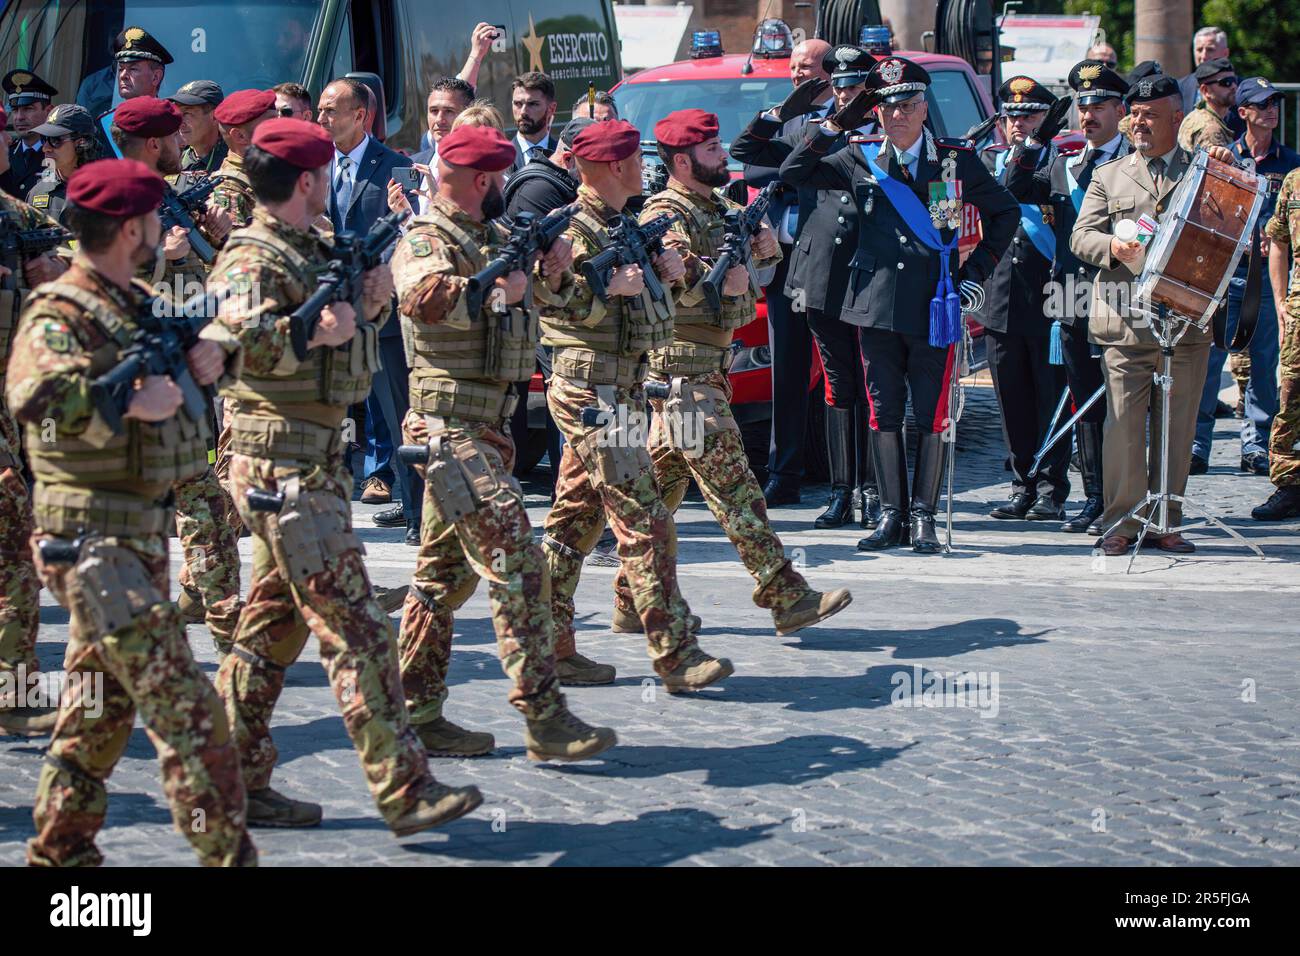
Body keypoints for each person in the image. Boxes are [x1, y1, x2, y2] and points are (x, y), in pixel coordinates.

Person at [202, 117, 482, 832]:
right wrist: (309, 330)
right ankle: (404, 786)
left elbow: (357, 318)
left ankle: (229, 780)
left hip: (319, 456)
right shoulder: (251, 256)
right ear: (307, 180)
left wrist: (375, 294)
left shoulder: (315, 246)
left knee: (270, 627)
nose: (331, 183)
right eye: (324, 174)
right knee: (358, 628)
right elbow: (223, 347)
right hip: (277, 463)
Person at [7, 157, 257, 866]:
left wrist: (218, 359)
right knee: (190, 709)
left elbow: (212, 331)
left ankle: (60, 852)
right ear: (128, 227)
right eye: (151, 219)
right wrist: (124, 400)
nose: (160, 229)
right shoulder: (57, 311)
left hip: (141, 537)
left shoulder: (137, 298)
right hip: (88, 543)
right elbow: (36, 395)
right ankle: (226, 851)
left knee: (97, 708)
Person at [389, 123, 616, 760]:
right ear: (484, 181)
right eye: (501, 182)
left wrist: (559, 275)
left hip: (488, 429)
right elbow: (423, 298)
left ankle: (416, 710)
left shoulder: (493, 237)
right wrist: (493, 290)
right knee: (520, 562)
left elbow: (557, 303)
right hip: (448, 428)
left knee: (440, 578)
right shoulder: (428, 236)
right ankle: (544, 715)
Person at [606, 108, 853, 637]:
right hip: (683, 376)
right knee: (735, 485)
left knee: (657, 495)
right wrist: (721, 274)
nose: (724, 157)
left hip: (706, 371)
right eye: (713, 150)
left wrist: (765, 253)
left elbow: (752, 275)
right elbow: (675, 275)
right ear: (682, 160)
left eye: (720, 146)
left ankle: (630, 599)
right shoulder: (664, 212)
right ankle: (786, 595)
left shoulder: (719, 205)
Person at [781, 56, 1019, 553]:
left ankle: (924, 518)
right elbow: (794, 171)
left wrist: (973, 275)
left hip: (935, 303)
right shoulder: (858, 156)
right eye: (888, 107)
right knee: (882, 411)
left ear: (923, 107)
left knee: (931, 413)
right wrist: (838, 121)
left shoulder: (954, 161)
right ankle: (891, 514)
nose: (898, 116)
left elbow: (1005, 212)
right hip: (875, 304)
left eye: (908, 105)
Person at [539, 119, 733, 692]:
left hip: (619, 388)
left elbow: (647, 314)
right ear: (612, 168)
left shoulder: (621, 225)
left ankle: (547, 642)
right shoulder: (571, 231)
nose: (637, 170)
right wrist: (607, 291)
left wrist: (670, 278)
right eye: (629, 161)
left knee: (573, 522)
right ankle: (674, 652)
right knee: (645, 519)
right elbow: (554, 310)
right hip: (590, 390)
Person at [1071, 75, 1236, 556]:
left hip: (1184, 319)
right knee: (1122, 424)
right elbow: (1081, 237)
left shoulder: (1205, 170)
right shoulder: (1110, 174)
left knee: (1178, 423)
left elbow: (1234, 219)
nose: (1139, 123)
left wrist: (1228, 165)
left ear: (1177, 119)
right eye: (1135, 115)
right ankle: (1121, 521)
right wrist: (1113, 247)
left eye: (1151, 115)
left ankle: (1166, 519)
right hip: (1124, 320)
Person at [732, 42, 882, 525]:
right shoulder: (804, 125)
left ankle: (873, 483)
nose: (845, 96)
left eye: (854, 87)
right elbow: (748, 157)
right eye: (838, 87)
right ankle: (786, 472)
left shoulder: (891, 127)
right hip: (797, 263)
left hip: (866, 266)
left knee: (868, 376)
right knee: (790, 370)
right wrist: (779, 115)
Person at [1007, 59, 1132, 534]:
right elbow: (1012, 187)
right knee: (1083, 398)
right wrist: (1037, 142)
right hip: (1069, 291)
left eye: (1099, 105)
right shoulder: (1066, 164)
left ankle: (1124, 494)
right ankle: (1094, 496)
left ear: (1120, 109)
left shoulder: (1133, 166)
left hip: (1115, 290)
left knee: (1121, 397)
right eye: (1083, 106)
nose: (1089, 115)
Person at [318, 78, 417, 542]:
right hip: (327, 315)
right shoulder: (313, 169)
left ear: (360, 117)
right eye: (319, 110)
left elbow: (410, 242)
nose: (321, 119)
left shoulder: (395, 167)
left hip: (382, 317)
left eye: (331, 110)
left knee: (399, 417)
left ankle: (417, 514)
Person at [0, 106, 69, 738]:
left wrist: (53, 272)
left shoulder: (15, 217)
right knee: (12, 554)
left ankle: (14, 692)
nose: (8, 144)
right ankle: (13, 696)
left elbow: (75, 257)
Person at [977, 77, 1071, 522]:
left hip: (1049, 298)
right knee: (1011, 400)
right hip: (1000, 298)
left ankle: (1053, 487)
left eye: (1029, 115)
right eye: (1011, 116)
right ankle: (1022, 484)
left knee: (1050, 397)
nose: (1018, 124)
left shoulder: (1061, 164)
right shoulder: (988, 162)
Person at [1192, 77, 1296, 479]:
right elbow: (1206, 210)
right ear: (1244, 112)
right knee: (1209, 362)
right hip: (1222, 275)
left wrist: (1274, 236)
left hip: (1267, 282)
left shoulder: (1291, 163)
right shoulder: (1224, 157)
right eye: (1262, 104)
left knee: (1264, 363)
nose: (1271, 110)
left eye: (1275, 103)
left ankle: (1256, 444)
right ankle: (1198, 444)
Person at [1254, 152, 1300, 519]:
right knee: (1291, 397)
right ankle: (1290, 485)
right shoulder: (1294, 181)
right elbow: (1278, 242)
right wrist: (1282, 302)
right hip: (1299, 313)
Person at [27, 104, 102, 224]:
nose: (45, 148)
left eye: (55, 140)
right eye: (44, 139)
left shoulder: (107, 191)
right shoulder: (37, 192)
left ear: (81, 143)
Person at [1, 69, 57, 200]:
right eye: (15, 110)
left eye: (28, 109)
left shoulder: (60, 153)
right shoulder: (4, 153)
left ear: (49, 111)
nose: (19, 117)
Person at [1178, 57, 1238, 154]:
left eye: (1234, 80)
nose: (1234, 86)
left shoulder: (1196, 115)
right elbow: (1216, 168)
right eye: (1226, 82)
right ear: (1205, 91)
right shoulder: (1211, 130)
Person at [170, 80, 229, 176]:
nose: (180, 123)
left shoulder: (235, 160)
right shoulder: (171, 161)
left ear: (215, 116)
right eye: (178, 114)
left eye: (187, 114)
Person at [508, 72, 560, 174]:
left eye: (532, 104)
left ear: (551, 109)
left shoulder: (564, 156)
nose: (523, 112)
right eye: (518, 104)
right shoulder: (501, 158)